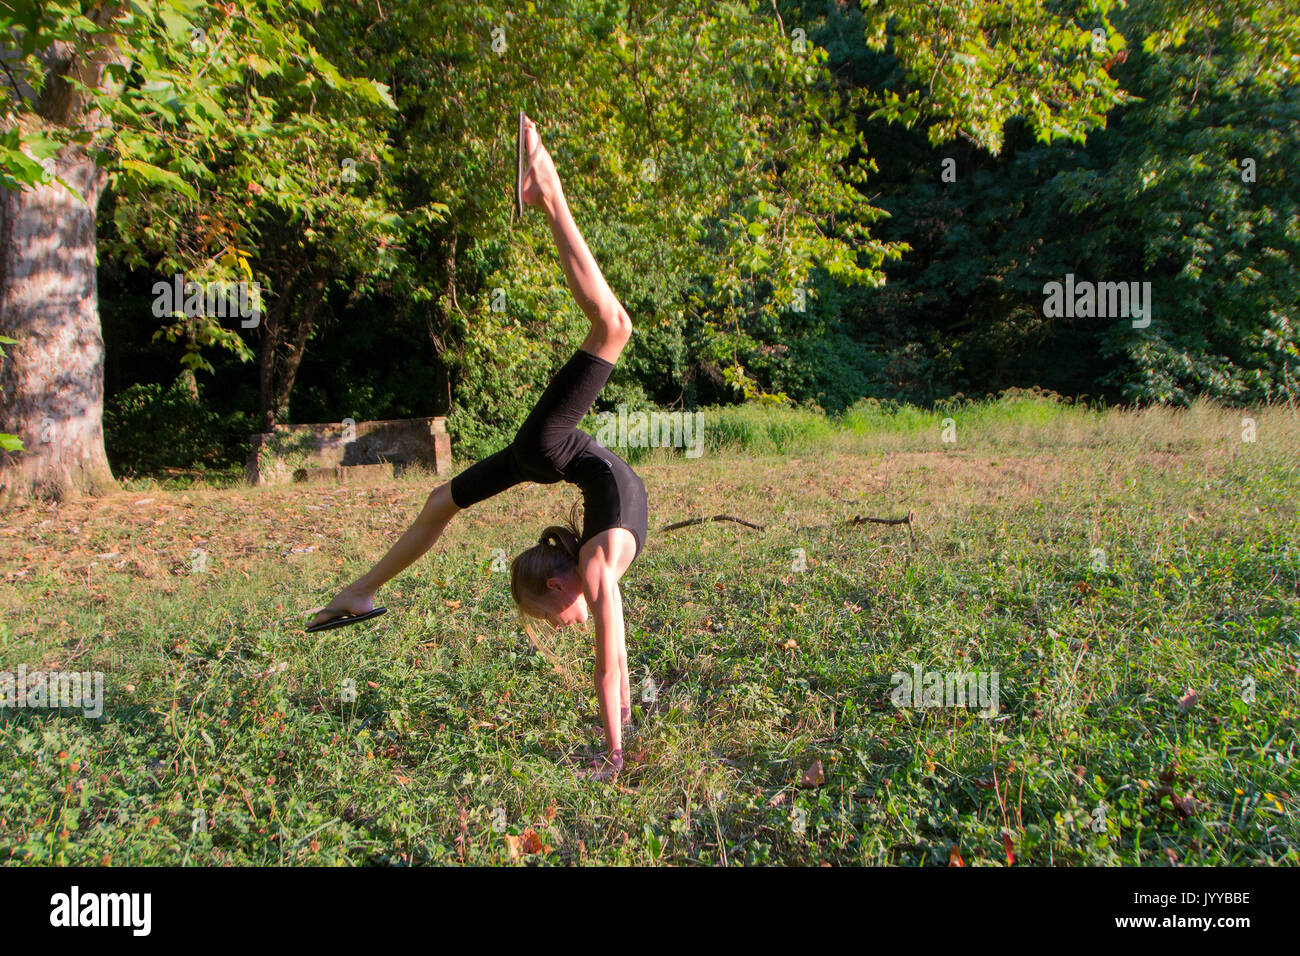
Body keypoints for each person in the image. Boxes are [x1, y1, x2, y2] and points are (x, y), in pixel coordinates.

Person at [309, 114, 647, 781]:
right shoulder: (594, 565)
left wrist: (615, 754)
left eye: (553, 617)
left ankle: (548, 189)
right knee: (441, 500)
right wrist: (621, 741)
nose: (563, 626)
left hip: (547, 451)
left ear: (558, 584)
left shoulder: (597, 565)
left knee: (613, 325)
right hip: (547, 457)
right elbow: (616, 663)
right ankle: (359, 592)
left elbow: (611, 663)